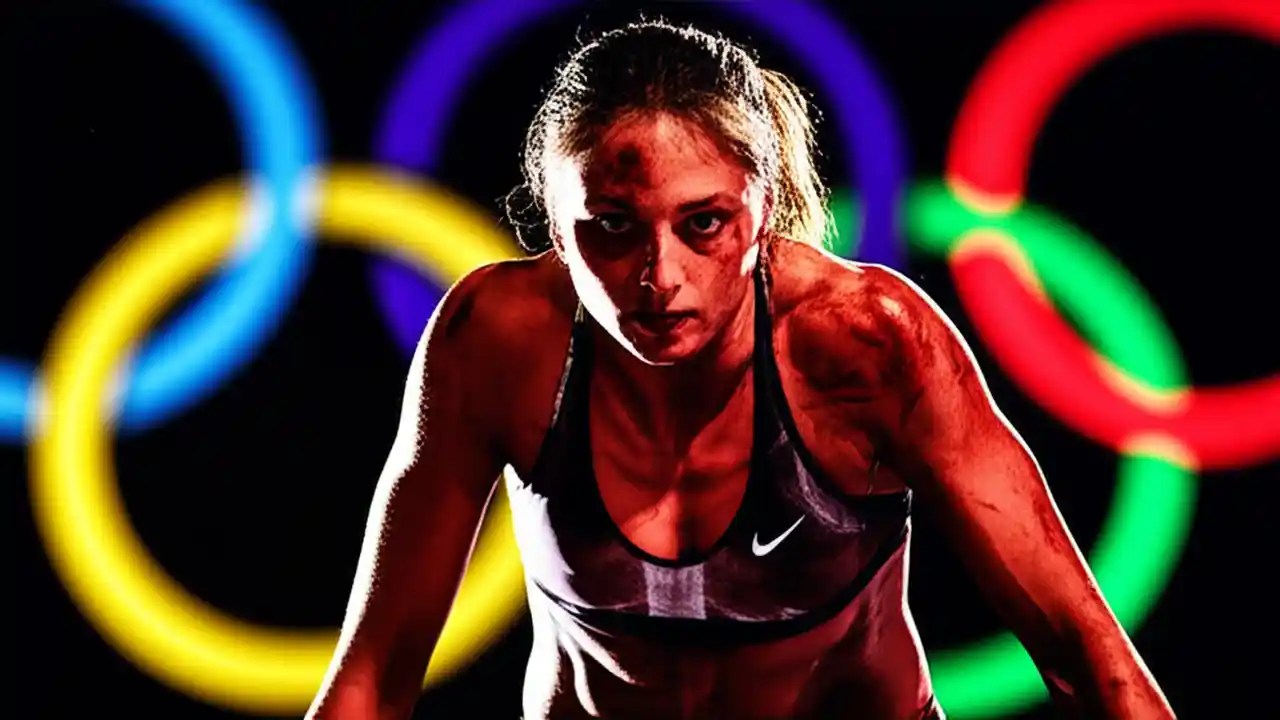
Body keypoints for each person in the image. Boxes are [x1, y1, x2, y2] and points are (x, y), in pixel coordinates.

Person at [305, 18, 1175, 720]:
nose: (659, 276)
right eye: (609, 227)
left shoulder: (867, 344)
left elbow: (1092, 665)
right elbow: (373, 681)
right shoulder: (495, 341)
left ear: (766, 208)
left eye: (704, 223)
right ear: (553, 218)